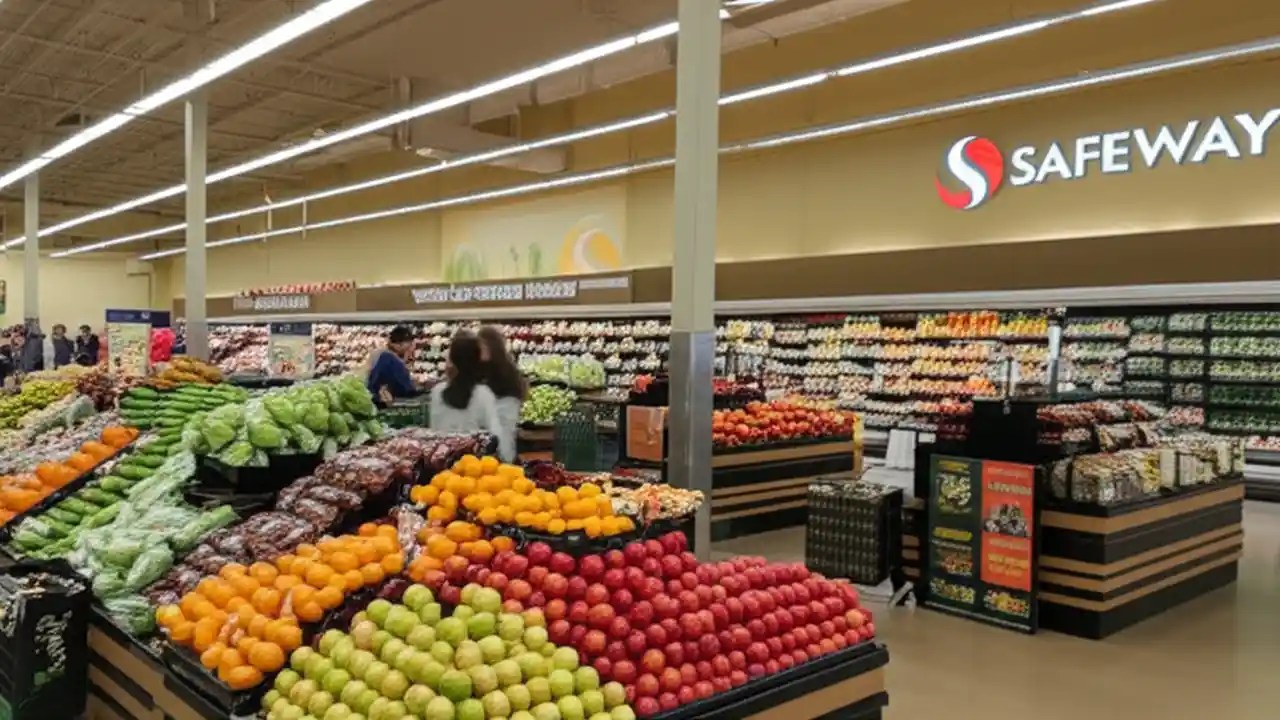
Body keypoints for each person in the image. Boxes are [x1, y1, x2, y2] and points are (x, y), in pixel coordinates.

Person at [430, 330, 512, 459]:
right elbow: (496, 438)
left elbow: (434, 433)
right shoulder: (483, 395)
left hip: (442, 463)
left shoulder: (437, 392)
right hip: (473, 467)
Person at [478, 325, 526, 462]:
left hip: (505, 406)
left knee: (503, 437)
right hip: (489, 427)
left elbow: (505, 427)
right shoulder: (480, 368)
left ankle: (506, 463)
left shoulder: (505, 372)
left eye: (481, 346)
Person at [365, 325, 418, 406]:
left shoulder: (379, 354)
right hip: (386, 403)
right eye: (408, 344)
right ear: (398, 345)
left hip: (375, 400)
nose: (410, 348)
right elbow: (406, 389)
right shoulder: (390, 359)